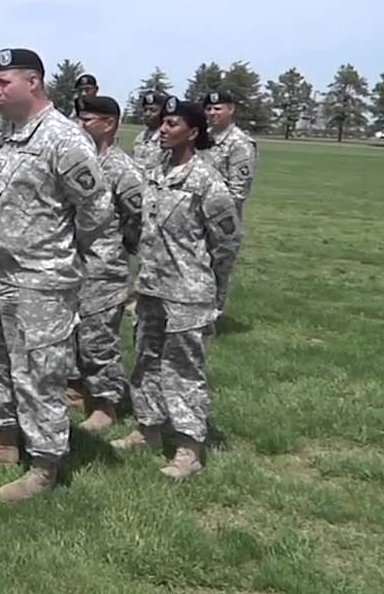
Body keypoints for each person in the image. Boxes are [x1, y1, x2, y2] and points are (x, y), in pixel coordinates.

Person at [0, 48, 111, 504]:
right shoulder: (8, 134)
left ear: (33, 83)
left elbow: (96, 210)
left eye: (4, 83)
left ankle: (45, 464)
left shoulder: (64, 139)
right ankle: (4, 440)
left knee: (39, 372)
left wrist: (55, 251)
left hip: (42, 279)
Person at [111, 96, 239, 480]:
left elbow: (227, 243)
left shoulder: (206, 181)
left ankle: (188, 448)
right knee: (146, 361)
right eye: (163, 123)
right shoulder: (154, 171)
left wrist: (214, 291)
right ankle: (147, 429)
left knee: (184, 370)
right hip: (151, 287)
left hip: (189, 291)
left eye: (173, 125)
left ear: (193, 132)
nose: (164, 130)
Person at [72, 95, 144, 434]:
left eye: (89, 119)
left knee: (98, 338)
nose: (81, 124)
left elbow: (138, 219)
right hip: (72, 262)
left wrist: (116, 249)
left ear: (110, 124)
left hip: (104, 267)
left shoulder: (123, 169)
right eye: (80, 118)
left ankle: (106, 404)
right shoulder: (78, 161)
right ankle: (79, 390)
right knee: (72, 334)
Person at [201, 90, 258, 314]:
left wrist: (217, 219)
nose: (212, 113)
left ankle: (213, 317)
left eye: (218, 108)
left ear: (231, 110)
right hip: (197, 217)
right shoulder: (205, 137)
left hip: (222, 222)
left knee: (218, 270)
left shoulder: (240, 143)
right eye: (209, 109)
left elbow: (238, 191)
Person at [131, 92, 166, 169]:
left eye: (153, 110)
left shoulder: (167, 138)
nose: (147, 113)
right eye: (145, 110)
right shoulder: (140, 137)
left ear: (163, 113)